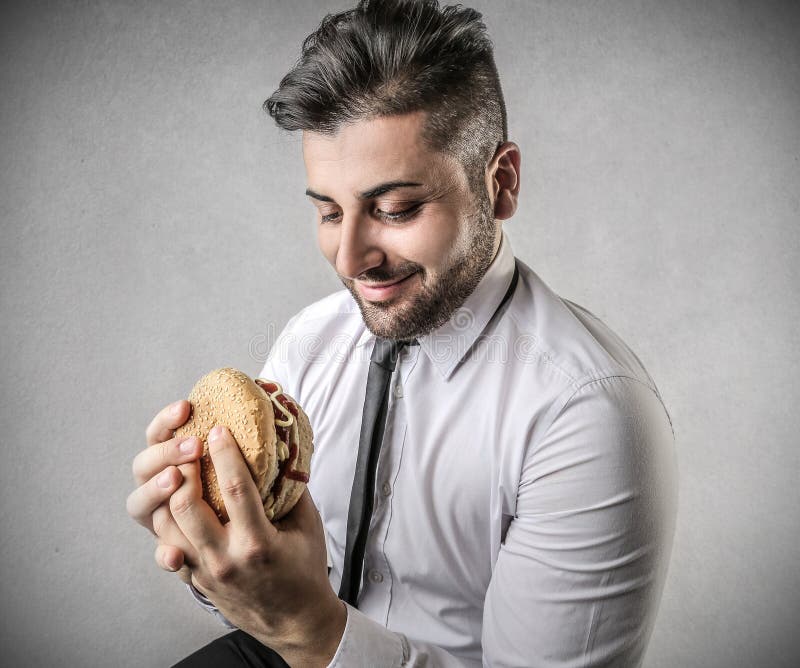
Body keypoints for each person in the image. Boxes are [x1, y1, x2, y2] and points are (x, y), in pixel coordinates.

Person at [126, 1, 678, 666]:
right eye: (330, 212)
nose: (350, 258)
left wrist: (314, 633)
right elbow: (267, 587)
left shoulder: (586, 412)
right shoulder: (310, 341)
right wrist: (209, 550)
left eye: (396, 208)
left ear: (499, 184)